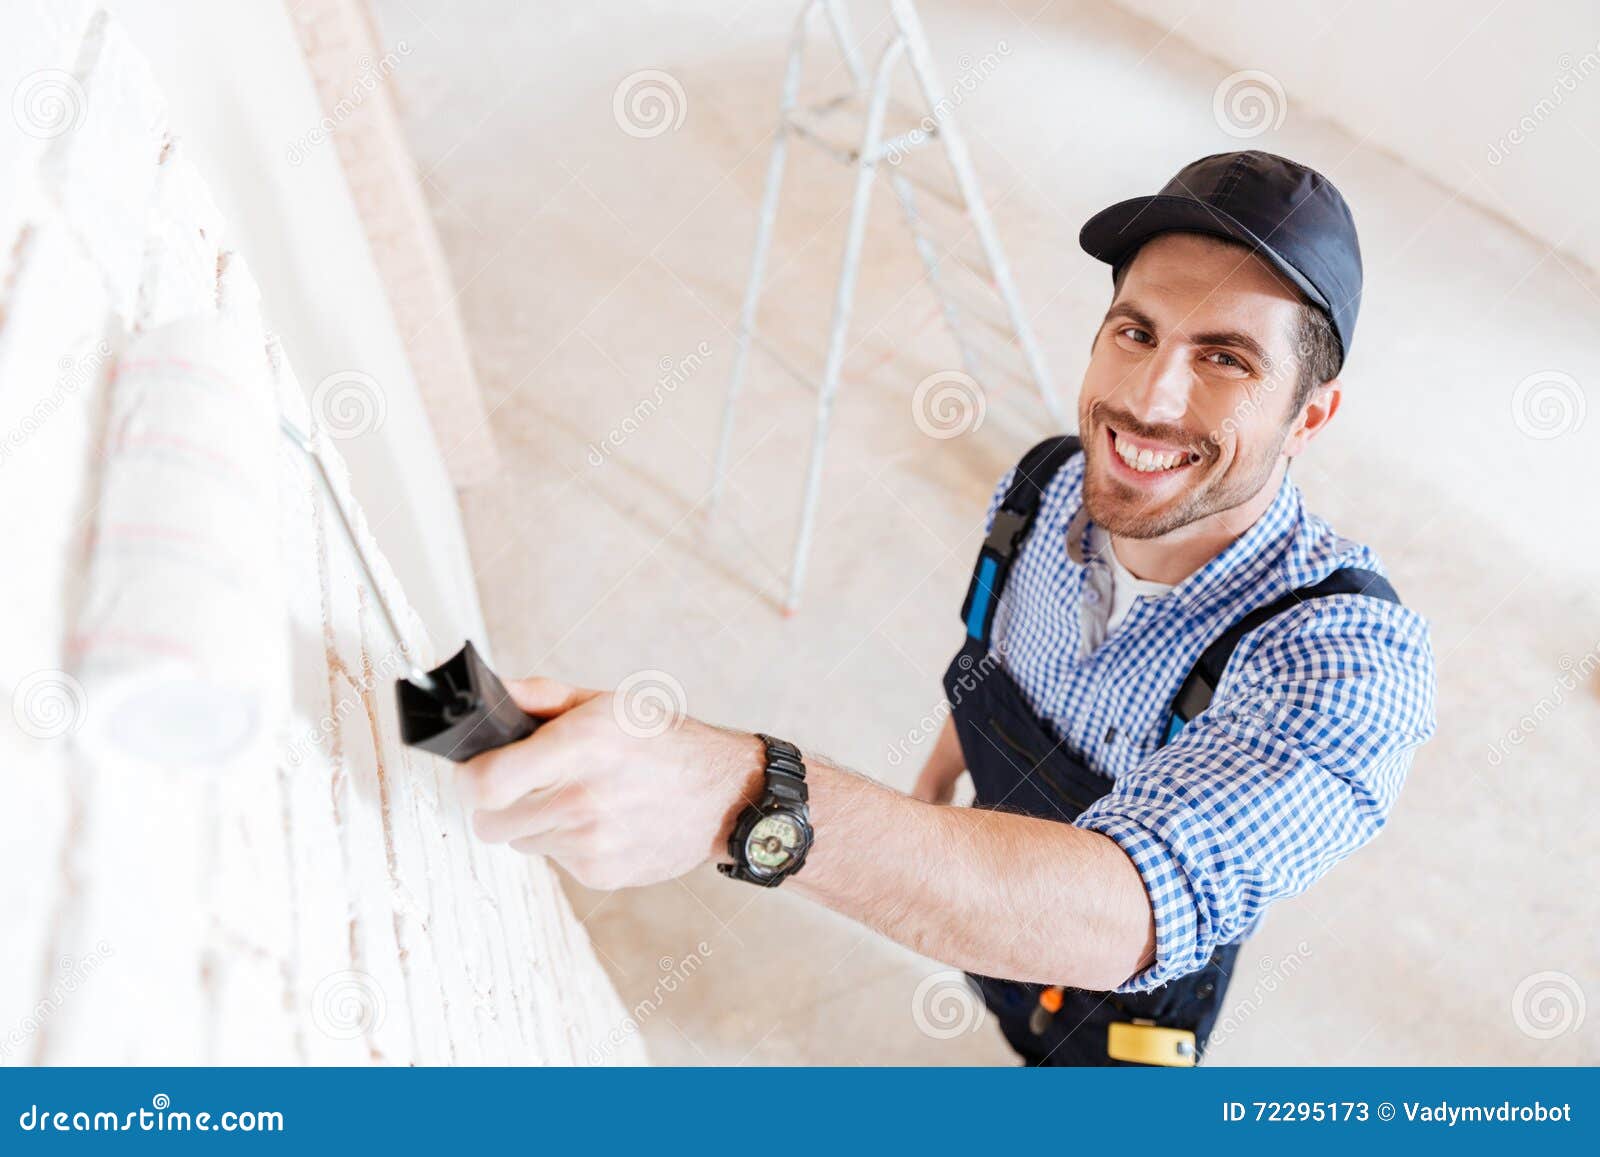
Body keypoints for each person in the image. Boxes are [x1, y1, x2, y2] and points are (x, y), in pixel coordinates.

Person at [460, 151, 1437, 1066]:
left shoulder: (1345, 662)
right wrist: (936, 782)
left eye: (1224, 358)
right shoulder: (1045, 485)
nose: (1148, 398)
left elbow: (1121, 909)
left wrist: (749, 798)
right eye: (1135, 332)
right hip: (989, 908)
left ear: (1309, 415)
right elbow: (990, 665)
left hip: (1124, 1015)